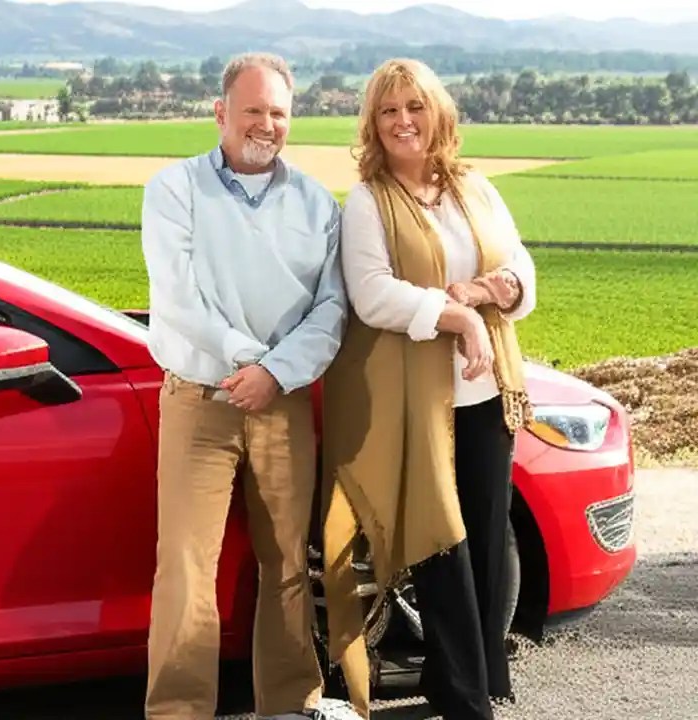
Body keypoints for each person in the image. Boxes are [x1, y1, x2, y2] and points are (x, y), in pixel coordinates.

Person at [319, 57, 537, 720]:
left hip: (487, 396)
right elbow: (374, 294)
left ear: (437, 113)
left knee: (487, 549)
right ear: (373, 125)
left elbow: (520, 268)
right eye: (389, 112)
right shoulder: (368, 201)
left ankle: (453, 682)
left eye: (414, 107)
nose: (403, 121)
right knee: (442, 546)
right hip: (416, 404)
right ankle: (471, 707)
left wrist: (489, 291)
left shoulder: (474, 189)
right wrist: (460, 314)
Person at [140, 52, 348, 720]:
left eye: (279, 112)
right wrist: (248, 362)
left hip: (281, 402)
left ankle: (291, 705)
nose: (266, 124)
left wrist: (275, 374)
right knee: (185, 566)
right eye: (253, 110)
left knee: (287, 562)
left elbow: (332, 312)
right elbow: (178, 298)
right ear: (220, 112)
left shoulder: (318, 204)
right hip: (201, 400)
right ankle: (178, 711)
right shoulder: (173, 189)